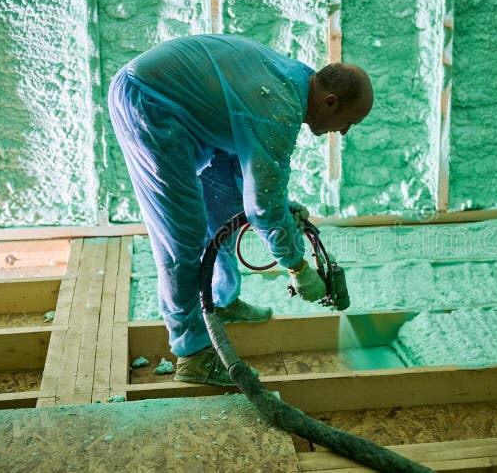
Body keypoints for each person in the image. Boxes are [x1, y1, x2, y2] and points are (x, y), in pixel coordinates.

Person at [107, 34, 373, 385]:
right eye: (349, 122)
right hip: (148, 102)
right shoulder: (280, 106)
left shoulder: (297, 81)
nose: (345, 132)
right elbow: (263, 205)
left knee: (224, 210)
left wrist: (280, 206)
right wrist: (297, 266)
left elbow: (253, 179)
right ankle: (192, 355)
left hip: (175, 104)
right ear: (331, 102)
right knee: (182, 235)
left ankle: (220, 300)